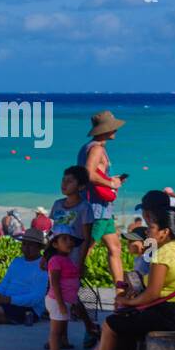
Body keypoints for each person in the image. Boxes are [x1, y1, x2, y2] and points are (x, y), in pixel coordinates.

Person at [60, 204, 175, 350]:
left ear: (164, 232)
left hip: (174, 313)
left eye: (152, 228)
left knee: (111, 323)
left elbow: (152, 294)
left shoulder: (162, 253)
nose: (148, 232)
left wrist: (126, 301)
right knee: (122, 319)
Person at [78, 110, 127, 289]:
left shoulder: (91, 147)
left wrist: (110, 180)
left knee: (115, 248)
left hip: (104, 208)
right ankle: (69, 292)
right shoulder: (96, 148)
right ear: (105, 129)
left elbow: (94, 174)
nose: (116, 130)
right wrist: (111, 183)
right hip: (95, 208)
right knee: (85, 251)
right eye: (113, 127)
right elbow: (89, 174)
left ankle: (120, 292)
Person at [43, 225, 82, 350]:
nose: (69, 242)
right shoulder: (56, 260)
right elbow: (55, 283)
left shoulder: (67, 259)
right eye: (64, 239)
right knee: (56, 332)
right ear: (55, 244)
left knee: (59, 331)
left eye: (70, 239)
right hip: (57, 301)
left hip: (64, 301)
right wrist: (61, 304)